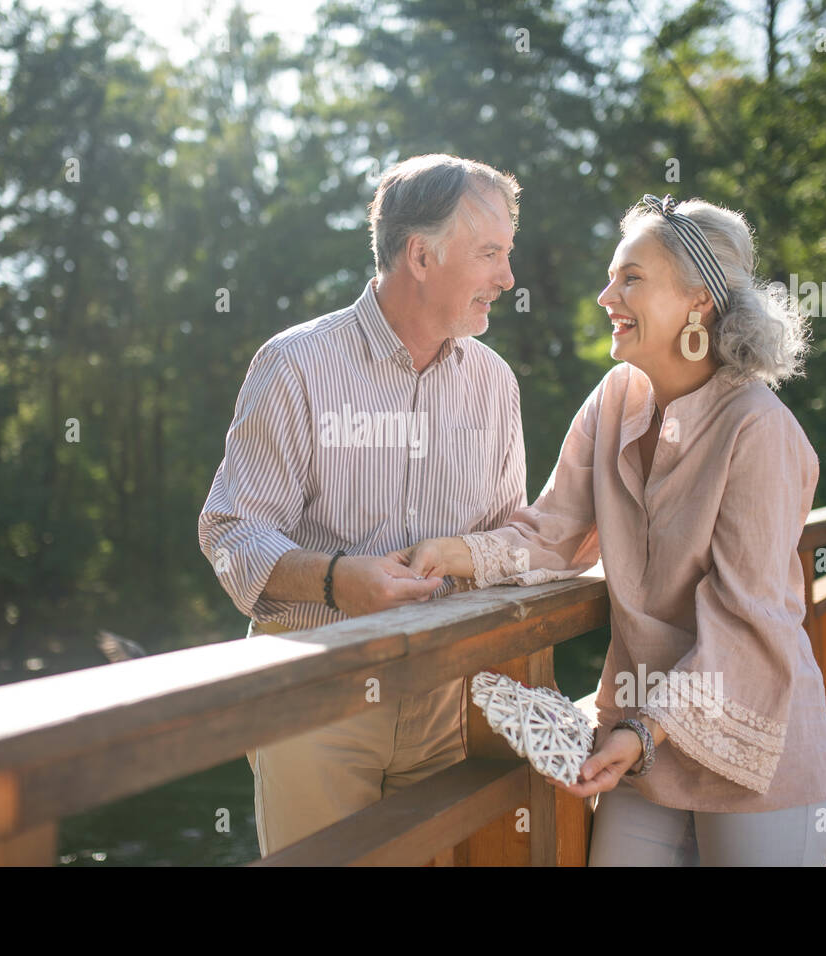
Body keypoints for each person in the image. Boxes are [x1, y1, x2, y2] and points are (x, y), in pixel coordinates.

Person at [402, 194, 826, 866]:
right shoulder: (614, 398)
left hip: (752, 745)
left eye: (631, 278)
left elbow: (744, 621)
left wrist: (643, 731)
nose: (606, 294)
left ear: (698, 302)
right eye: (613, 276)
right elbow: (551, 533)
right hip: (641, 747)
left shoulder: (759, 427)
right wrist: (452, 553)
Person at [198, 154, 528, 858]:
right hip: (316, 695)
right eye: (491, 254)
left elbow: (513, 537)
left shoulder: (496, 385)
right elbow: (231, 531)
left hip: (453, 701)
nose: (507, 278)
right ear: (421, 255)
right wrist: (334, 580)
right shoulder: (294, 364)